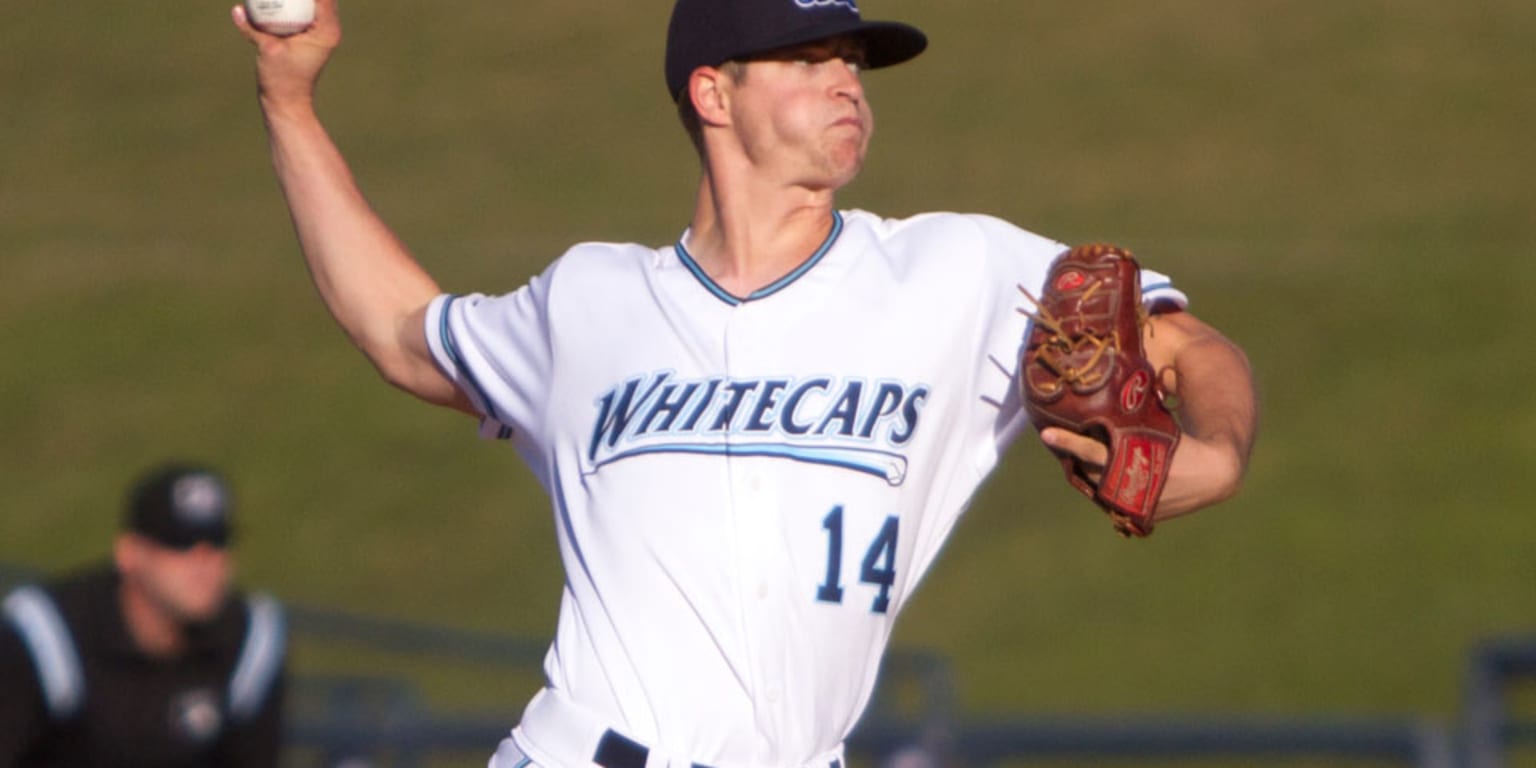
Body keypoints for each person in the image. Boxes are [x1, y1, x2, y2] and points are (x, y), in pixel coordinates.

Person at [231, 0, 1257, 765]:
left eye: (853, 59)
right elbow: (402, 333)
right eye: (808, 59)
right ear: (712, 93)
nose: (848, 82)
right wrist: (289, 101)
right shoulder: (589, 301)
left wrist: (1215, 454)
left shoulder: (960, 274)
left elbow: (1189, 344)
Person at [0, 464, 288, 768]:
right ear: (130, 553)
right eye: (180, 544)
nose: (204, 564)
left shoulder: (247, 637)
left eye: (217, 543)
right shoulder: (48, 634)